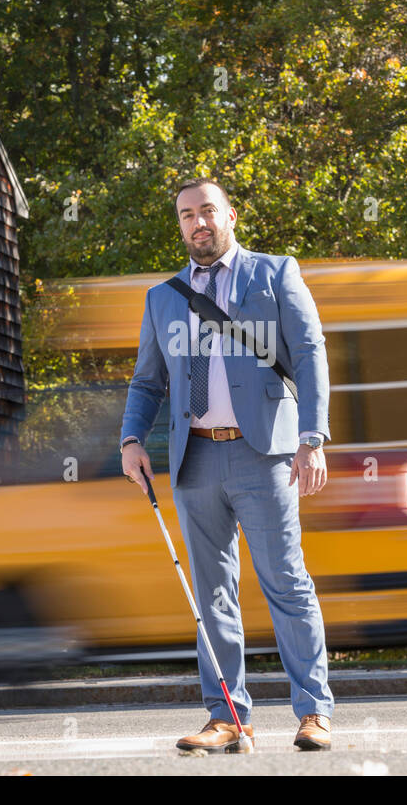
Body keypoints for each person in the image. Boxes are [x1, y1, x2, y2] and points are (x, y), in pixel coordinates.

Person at [120, 176, 334, 752]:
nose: (199, 223)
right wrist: (131, 440)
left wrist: (313, 438)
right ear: (181, 225)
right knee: (211, 592)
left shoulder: (275, 273)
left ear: (230, 215)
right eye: (187, 215)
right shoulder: (163, 297)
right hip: (194, 457)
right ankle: (226, 718)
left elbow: (311, 355)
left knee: (285, 582)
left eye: (208, 211)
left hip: (264, 453)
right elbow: (147, 380)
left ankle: (314, 714)